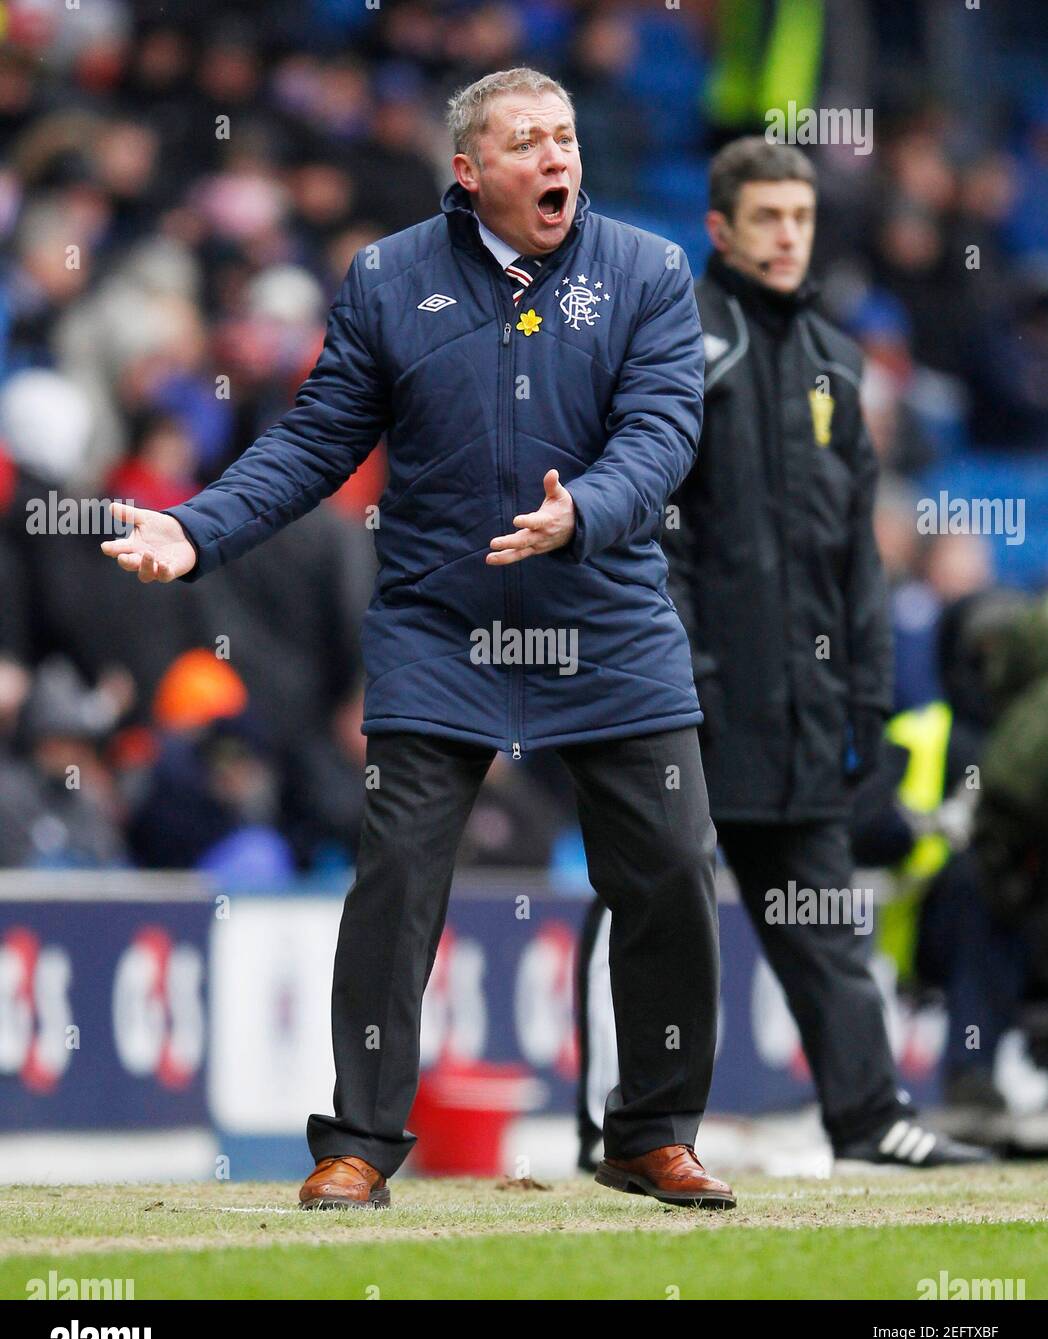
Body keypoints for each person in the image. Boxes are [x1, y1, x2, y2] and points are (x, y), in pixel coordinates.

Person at [100, 67, 735, 1211]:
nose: (556, 159)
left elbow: (662, 432)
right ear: (468, 170)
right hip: (444, 626)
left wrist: (581, 510)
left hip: (607, 614)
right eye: (526, 142)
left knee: (675, 867)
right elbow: (315, 442)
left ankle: (651, 1130)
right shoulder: (387, 278)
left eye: (566, 138)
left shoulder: (647, 270)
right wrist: (197, 532)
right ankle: (358, 1142)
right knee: (395, 879)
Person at [577, 137, 990, 1172]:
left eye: (799, 219)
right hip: (687, 699)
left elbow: (854, 553)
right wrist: (676, 672)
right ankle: (612, 1127)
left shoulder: (836, 364)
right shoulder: (673, 345)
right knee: (653, 899)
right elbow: (644, 524)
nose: (785, 237)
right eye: (765, 219)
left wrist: (868, 698)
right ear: (719, 229)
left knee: (826, 923)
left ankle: (869, 1118)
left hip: (805, 705)